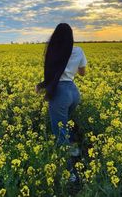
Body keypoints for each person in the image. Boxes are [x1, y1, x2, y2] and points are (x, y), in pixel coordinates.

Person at [35, 23, 87, 159]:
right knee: (65, 125)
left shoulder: (54, 51)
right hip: (74, 92)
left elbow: (51, 75)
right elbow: (82, 73)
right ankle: (74, 151)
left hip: (60, 93)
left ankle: (69, 173)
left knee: (60, 132)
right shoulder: (79, 51)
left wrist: (41, 85)